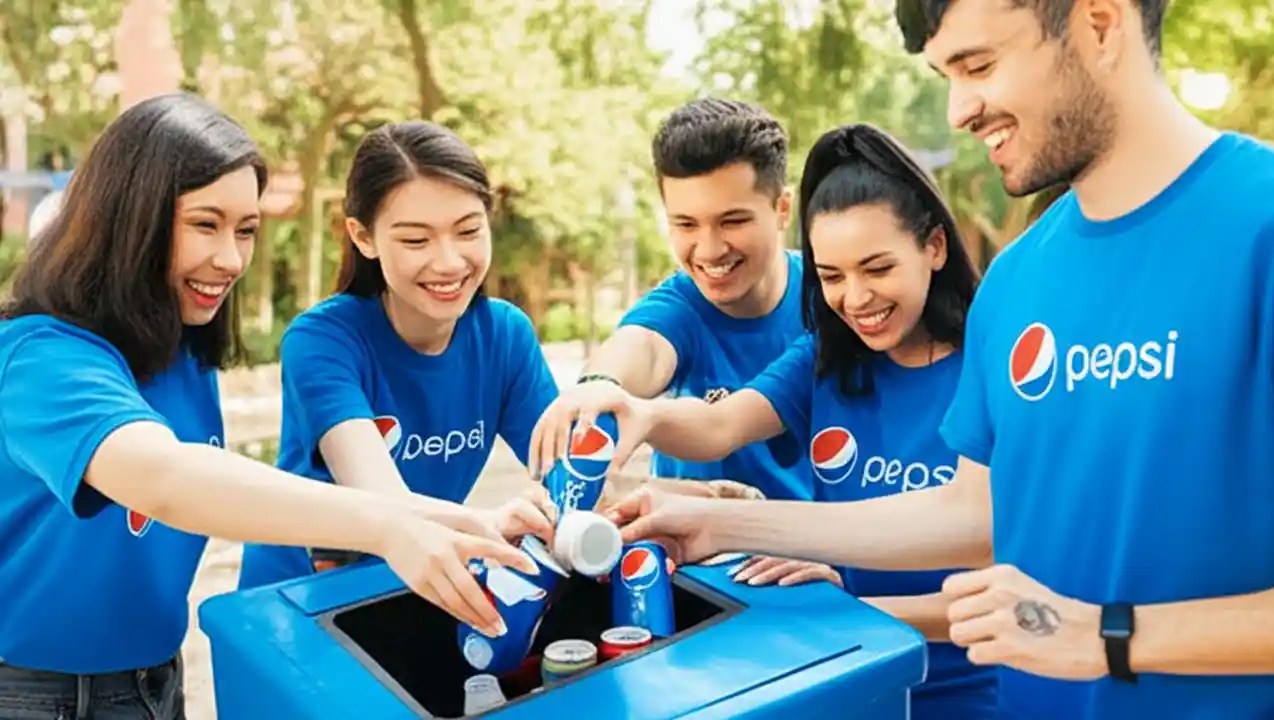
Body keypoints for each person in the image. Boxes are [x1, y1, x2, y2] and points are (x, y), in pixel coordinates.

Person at [590, 1, 1274, 718]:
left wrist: (1110, 636)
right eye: (946, 74)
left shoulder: (1262, 228)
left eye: (979, 65)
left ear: (1100, 23)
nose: (958, 110)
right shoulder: (1017, 284)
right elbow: (974, 513)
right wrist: (722, 525)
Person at [0, 94, 546, 720]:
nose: (231, 259)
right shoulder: (43, 358)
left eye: (247, 230)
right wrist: (391, 526)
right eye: (205, 225)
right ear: (131, 217)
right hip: (36, 695)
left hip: (153, 681)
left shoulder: (182, 349)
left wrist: (467, 525)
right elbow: (164, 479)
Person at [533, 123, 995, 717]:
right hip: (845, 669)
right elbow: (719, 425)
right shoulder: (825, 354)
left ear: (933, 247)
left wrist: (844, 604)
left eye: (877, 268)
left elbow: (1009, 592)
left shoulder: (989, 367)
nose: (855, 298)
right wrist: (637, 411)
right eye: (832, 277)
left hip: (964, 690)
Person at [239, 121, 561, 590]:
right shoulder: (322, 341)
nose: (449, 262)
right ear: (363, 237)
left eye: (468, 230)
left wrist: (695, 496)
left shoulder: (505, 336)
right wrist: (490, 523)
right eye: (416, 240)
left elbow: (571, 470)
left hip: (421, 585)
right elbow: (380, 500)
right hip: (298, 604)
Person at [530, 97, 812, 504]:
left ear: (782, 208)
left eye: (732, 221)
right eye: (686, 224)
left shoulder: (833, 299)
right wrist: (599, 385)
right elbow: (642, 346)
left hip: (816, 554)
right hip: (693, 556)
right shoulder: (677, 307)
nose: (710, 249)